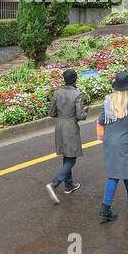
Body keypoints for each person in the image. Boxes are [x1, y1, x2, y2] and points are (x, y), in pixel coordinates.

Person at [97, 71, 128, 223]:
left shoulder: (108, 101)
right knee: (114, 175)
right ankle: (105, 210)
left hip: (109, 141)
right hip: (124, 141)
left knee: (122, 167)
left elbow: (101, 120)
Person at [46, 69, 86, 203]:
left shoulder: (57, 92)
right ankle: (54, 183)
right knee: (72, 159)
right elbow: (80, 115)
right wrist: (85, 113)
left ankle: (69, 185)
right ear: (75, 79)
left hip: (59, 126)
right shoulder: (77, 94)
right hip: (70, 127)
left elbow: (51, 113)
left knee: (66, 155)